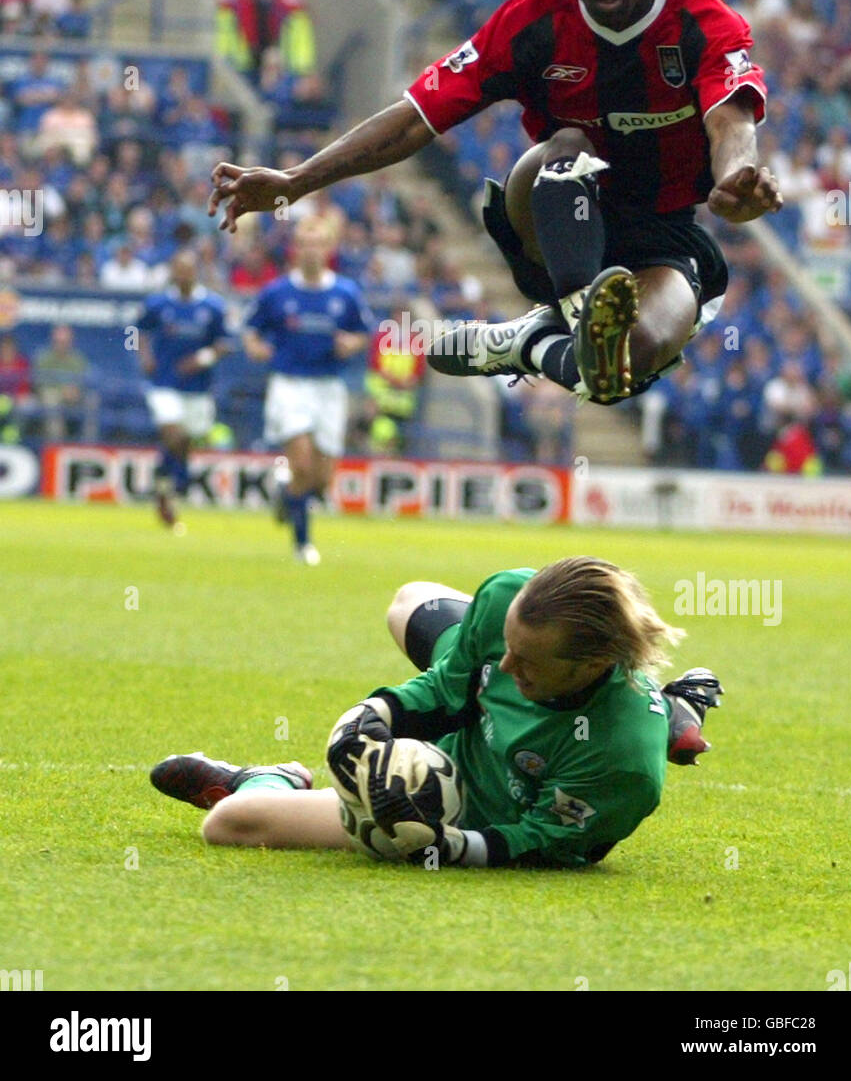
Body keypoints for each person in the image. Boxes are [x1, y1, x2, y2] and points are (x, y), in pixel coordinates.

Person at [209, 0, 782, 410]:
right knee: (569, 141)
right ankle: (576, 307)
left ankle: (530, 341)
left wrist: (738, 175)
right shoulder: (529, 26)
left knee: (614, 374)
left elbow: (730, 121)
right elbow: (414, 120)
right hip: (556, 217)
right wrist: (295, 180)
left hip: (664, 230)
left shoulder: (701, 20)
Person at [150, 556, 722, 868]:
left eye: (525, 662)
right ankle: (670, 704)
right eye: (506, 646)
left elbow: (535, 840)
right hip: (476, 722)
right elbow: (450, 688)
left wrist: (446, 845)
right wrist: (374, 712)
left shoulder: (622, 763)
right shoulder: (504, 603)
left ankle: (268, 779)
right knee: (408, 599)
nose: (504, 666)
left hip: (471, 810)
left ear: (593, 661)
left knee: (228, 824)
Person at [243, 216, 371, 565]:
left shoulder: (345, 293)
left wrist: (351, 343)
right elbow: (251, 330)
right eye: (304, 243)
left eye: (318, 243)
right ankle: (303, 544)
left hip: (329, 388)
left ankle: (286, 494)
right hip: (290, 384)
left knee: (320, 480)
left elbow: (362, 333)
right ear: (295, 249)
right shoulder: (277, 292)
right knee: (300, 462)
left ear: (329, 248)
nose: (311, 250)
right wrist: (255, 348)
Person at [138, 249, 230, 530]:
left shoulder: (213, 306)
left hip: (198, 389)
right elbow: (135, 331)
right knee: (173, 432)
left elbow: (225, 344)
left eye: (187, 269)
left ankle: (168, 488)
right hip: (164, 384)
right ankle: (167, 484)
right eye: (178, 269)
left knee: (185, 444)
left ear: (196, 271)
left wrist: (201, 359)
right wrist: (144, 356)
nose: (182, 275)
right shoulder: (157, 304)